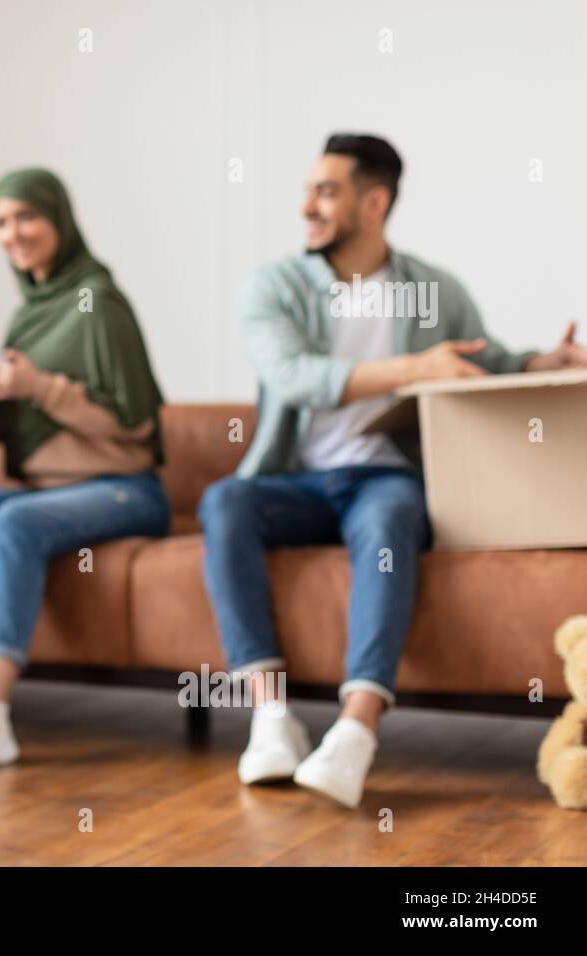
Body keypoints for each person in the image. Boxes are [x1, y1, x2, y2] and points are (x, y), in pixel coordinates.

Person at [199, 133, 587, 807]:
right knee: (224, 501)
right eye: (308, 190)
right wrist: (417, 367)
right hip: (296, 479)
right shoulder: (275, 286)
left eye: (326, 191)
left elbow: (480, 356)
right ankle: (270, 717)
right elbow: (293, 378)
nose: (307, 207)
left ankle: (356, 731)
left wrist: (534, 363)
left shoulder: (432, 290)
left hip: (382, 476)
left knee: (395, 514)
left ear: (374, 202)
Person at [0, 168, 171, 770]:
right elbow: (19, 434)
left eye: (27, 216)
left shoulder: (97, 301)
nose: (13, 233)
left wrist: (41, 386)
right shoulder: (29, 313)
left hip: (125, 490)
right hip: (44, 491)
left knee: (16, 524)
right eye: (0, 222)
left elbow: (137, 425)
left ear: (60, 221)